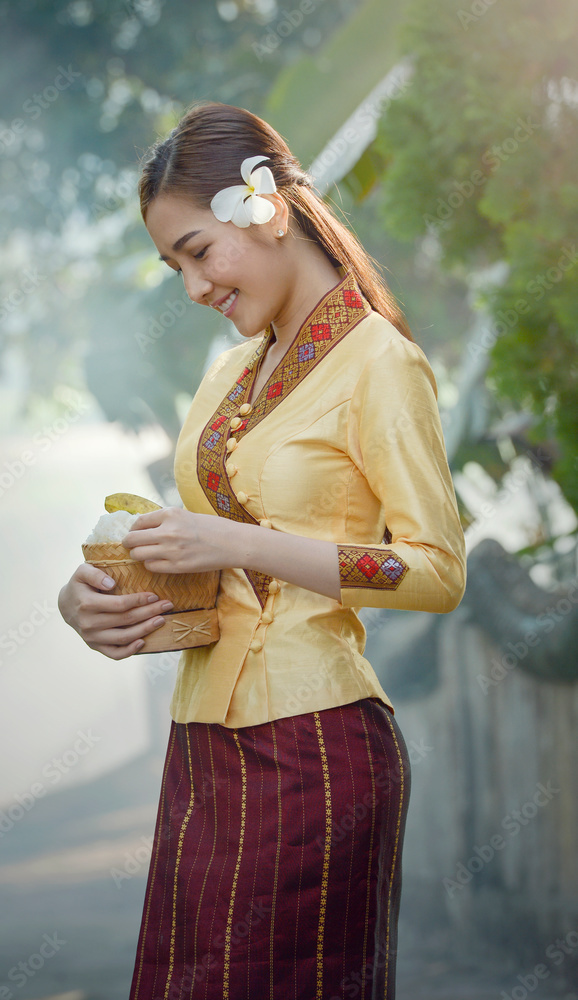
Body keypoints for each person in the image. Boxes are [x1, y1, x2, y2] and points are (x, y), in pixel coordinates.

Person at [58, 102, 466, 999]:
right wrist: (91, 600)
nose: (193, 287)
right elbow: (215, 567)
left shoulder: (378, 363)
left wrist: (239, 540)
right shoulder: (229, 375)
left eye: (199, 252)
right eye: (175, 267)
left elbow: (437, 570)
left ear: (268, 209)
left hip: (316, 751)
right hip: (202, 748)